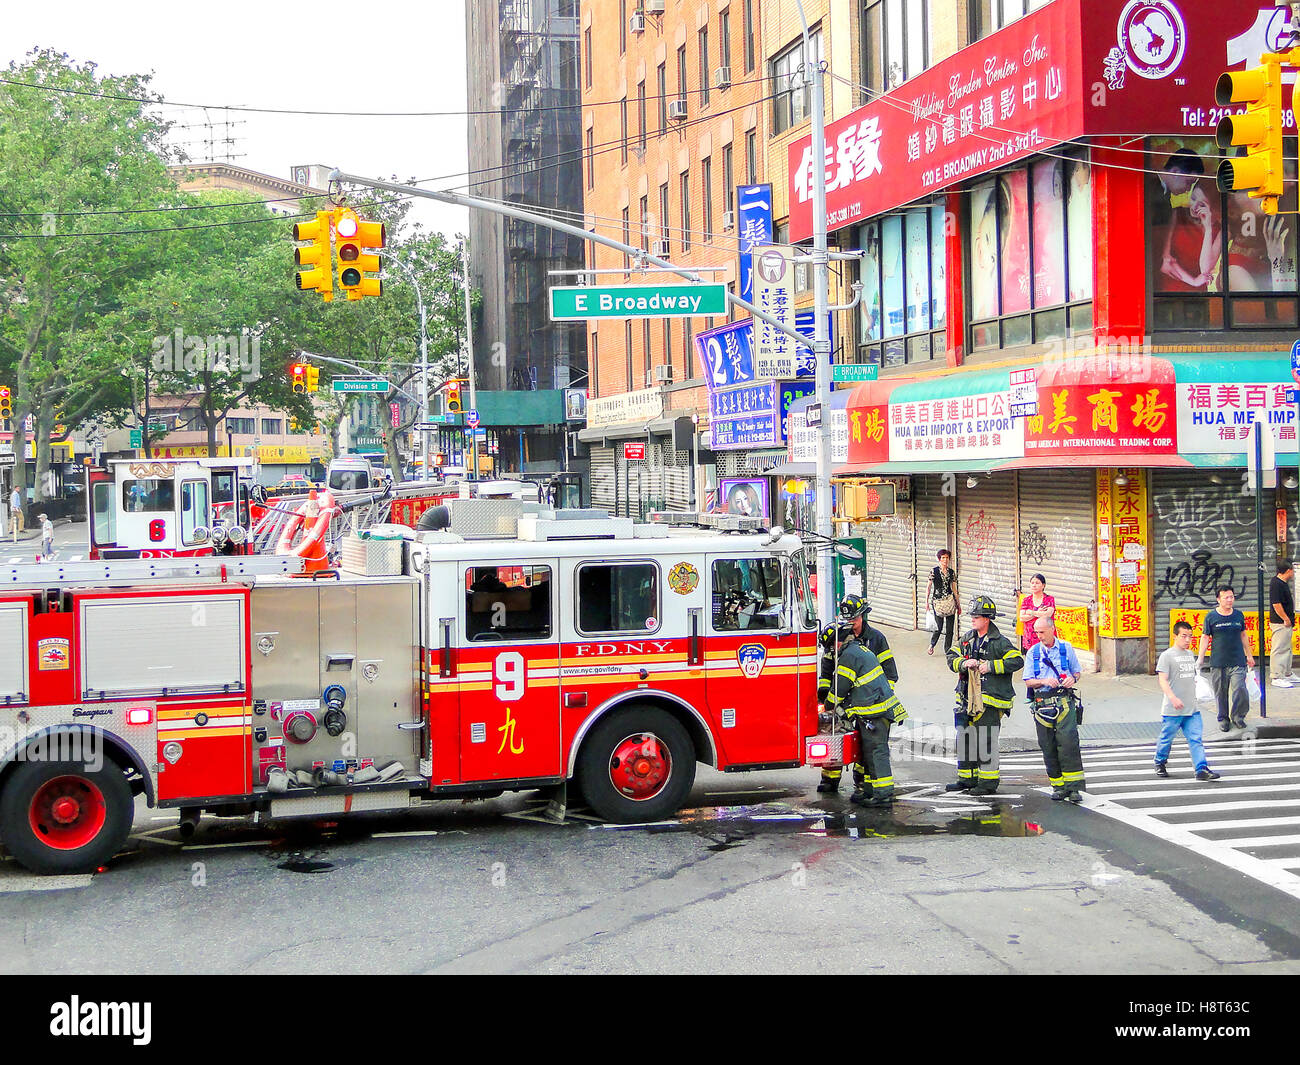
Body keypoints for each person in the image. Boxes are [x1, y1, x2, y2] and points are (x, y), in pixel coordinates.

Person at [818, 595, 899, 795]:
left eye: (854, 618)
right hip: (843, 702)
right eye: (847, 620)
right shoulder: (835, 639)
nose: (851, 623)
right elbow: (827, 674)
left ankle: (863, 782)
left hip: (869, 703)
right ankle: (830, 780)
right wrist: (824, 700)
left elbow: (890, 674)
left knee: (868, 745)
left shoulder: (876, 639)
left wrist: (876, 700)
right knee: (832, 736)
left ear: (863, 616)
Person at [946, 595, 1022, 796]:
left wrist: (991, 666)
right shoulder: (968, 638)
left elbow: (1017, 660)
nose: (972, 619)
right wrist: (964, 663)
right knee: (965, 739)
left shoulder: (1000, 642)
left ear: (987, 618)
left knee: (985, 740)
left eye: (976, 616)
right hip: (966, 699)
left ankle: (988, 783)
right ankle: (967, 779)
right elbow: (951, 656)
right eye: (972, 615)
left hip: (991, 700)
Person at [824, 622, 906, 808]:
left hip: (875, 712)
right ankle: (870, 790)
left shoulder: (849, 656)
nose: (831, 650)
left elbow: (839, 688)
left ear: (838, 642)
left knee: (877, 753)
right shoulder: (858, 650)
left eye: (830, 645)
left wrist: (828, 705)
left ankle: (883, 794)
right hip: (873, 711)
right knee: (869, 753)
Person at [1023, 618, 1086, 803]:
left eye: (1042, 632)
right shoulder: (1033, 652)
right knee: (1048, 746)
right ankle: (1058, 787)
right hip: (1042, 705)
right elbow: (1028, 681)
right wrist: (1043, 681)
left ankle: (1073, 788)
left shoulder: (1066, 648)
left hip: (1064, 703)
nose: (1039, 636)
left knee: (1069, 744)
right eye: (1037, 633)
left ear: (1052, 629)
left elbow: (1077, 672)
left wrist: (1073, 679)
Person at [1156, 621, 1221, 782]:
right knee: (1167, 738)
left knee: (1195, 738)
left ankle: (1201, 768)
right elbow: (1162, 680)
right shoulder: (1167, 656)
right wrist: (1172, 697)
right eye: (1183, 636)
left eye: (1190, 636)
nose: (1187, 639)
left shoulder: (1189, 655)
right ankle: (1160, 761)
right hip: (1173, 709)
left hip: (1191, 708)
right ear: (1175, 636)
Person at [1197, 586, 1255, 732]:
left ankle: (1238, 716)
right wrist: (1200, 658)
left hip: (1237, 660)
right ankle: (1223, 719)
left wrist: (1249, 655)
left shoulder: (1238, 615)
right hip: (1218, 662)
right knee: (1221, 692)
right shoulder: (1211, 617)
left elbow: (1243, 635)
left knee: (1240, 689)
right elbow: (1205, 638)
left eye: (1231, 597)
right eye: (1226, 597)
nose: (1230, 600)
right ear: (1218, 599)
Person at [925, 549, 961, 656]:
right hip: (938, 602)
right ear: (939, 559)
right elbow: (928, 587)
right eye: (943, 558)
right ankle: (932, 644)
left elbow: (954, 589)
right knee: (939, 627)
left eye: (947, 558)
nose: (945, 560)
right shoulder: (934, 571)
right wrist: (926, 602)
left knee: (950, 629)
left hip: (950, 602)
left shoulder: (951, 572)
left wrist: (958, 604)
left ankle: (947, 650)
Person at [1269, 560, 1298, 688]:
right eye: (1292, 569)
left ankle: (1287, 673)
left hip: (1286, 622)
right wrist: (1285, 618)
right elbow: (1276, 604)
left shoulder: (1283, 583)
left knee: (1287, 648)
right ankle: (1276, 676)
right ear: (1288, 571)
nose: (1293, 572)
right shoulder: (1276, 584)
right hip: (1280, 622)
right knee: (1279, 648)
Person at [1019, 573, 1055, 652]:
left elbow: (1048, 614)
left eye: (1037, 583)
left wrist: (1031, 612)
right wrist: (1038, 613)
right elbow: (1022, 618)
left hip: (1046, 638)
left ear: (1043, 585)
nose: (1034, 585)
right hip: (1030, 639)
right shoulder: (1026, 600)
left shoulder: (1049, 599)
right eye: (1032, 583)